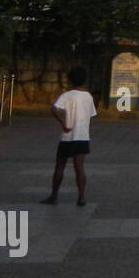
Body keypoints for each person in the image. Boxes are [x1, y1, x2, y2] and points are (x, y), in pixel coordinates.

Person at [42, 66, 95, 206]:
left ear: (70, 80)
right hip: (83, 137)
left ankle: (54, 196)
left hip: (67, 136)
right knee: (80, 168)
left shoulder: (67, 95)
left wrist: (63, 123)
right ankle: (81, 197)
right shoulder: (88, 96)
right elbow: (91, 115)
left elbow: (54, 108)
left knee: (60, 166)